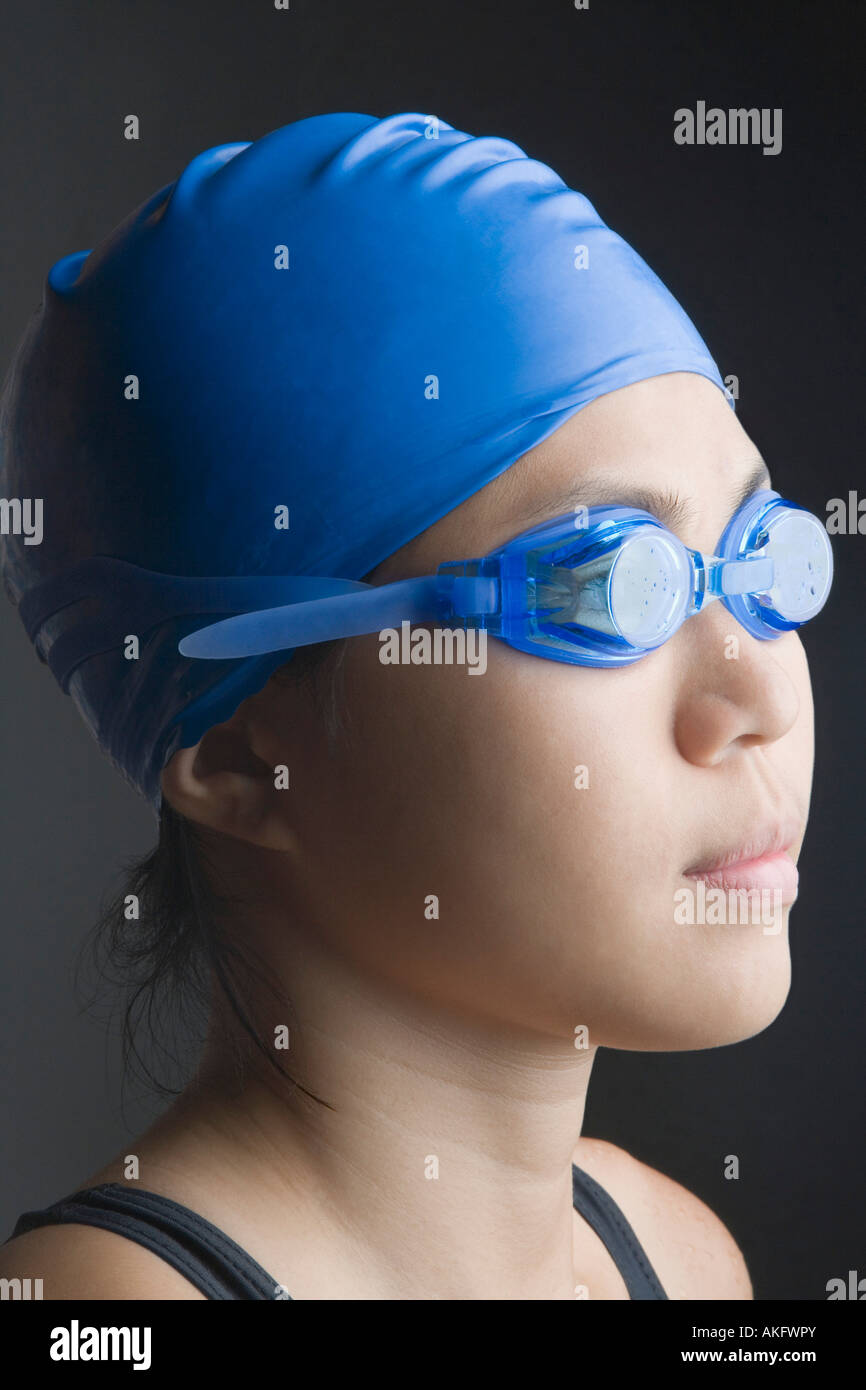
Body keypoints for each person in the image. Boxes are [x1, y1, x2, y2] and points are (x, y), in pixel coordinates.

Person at [0, 111, 831, 1300]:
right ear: (243, 755)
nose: (755, 696)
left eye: (762, 559)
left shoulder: (682, 1262)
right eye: (601, 587)